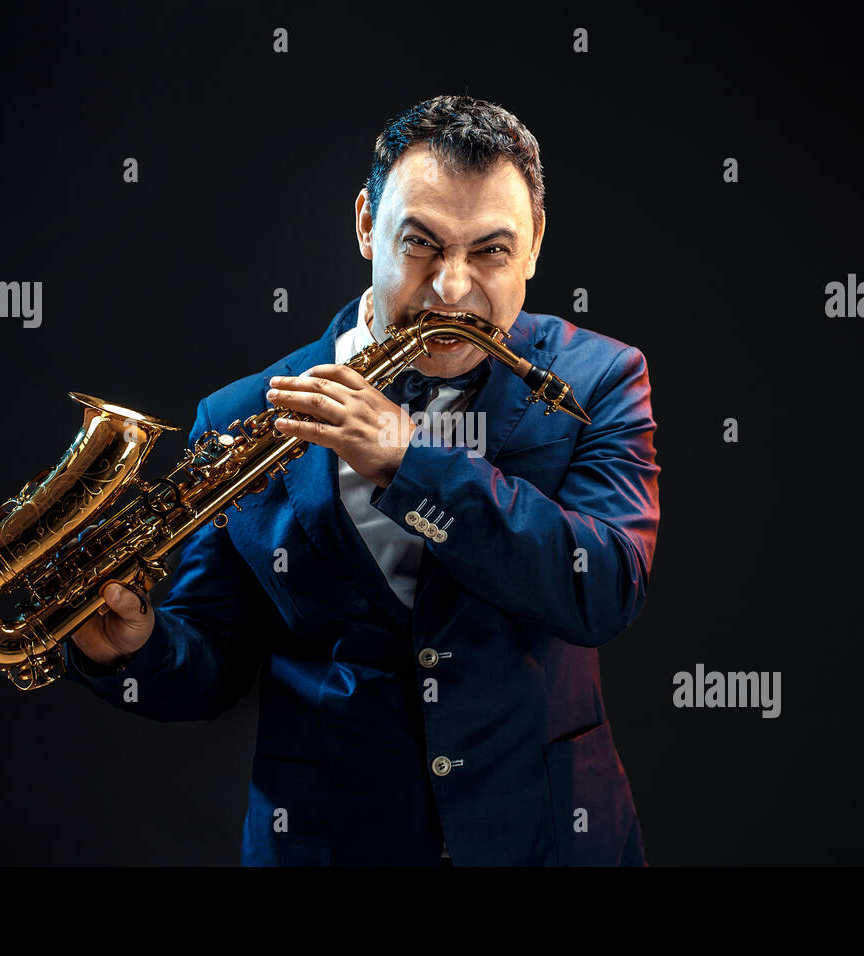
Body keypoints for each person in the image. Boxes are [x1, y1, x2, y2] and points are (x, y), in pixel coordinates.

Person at [63, 94, 662, 866]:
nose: (452, 289)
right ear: (363, 226)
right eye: (420, 244)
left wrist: (410, 461)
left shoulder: (601, 378)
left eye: (490, 252)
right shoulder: (240, 411)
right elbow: (213, 662)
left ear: (536, 245)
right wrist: (136, 648)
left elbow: (605, 586)